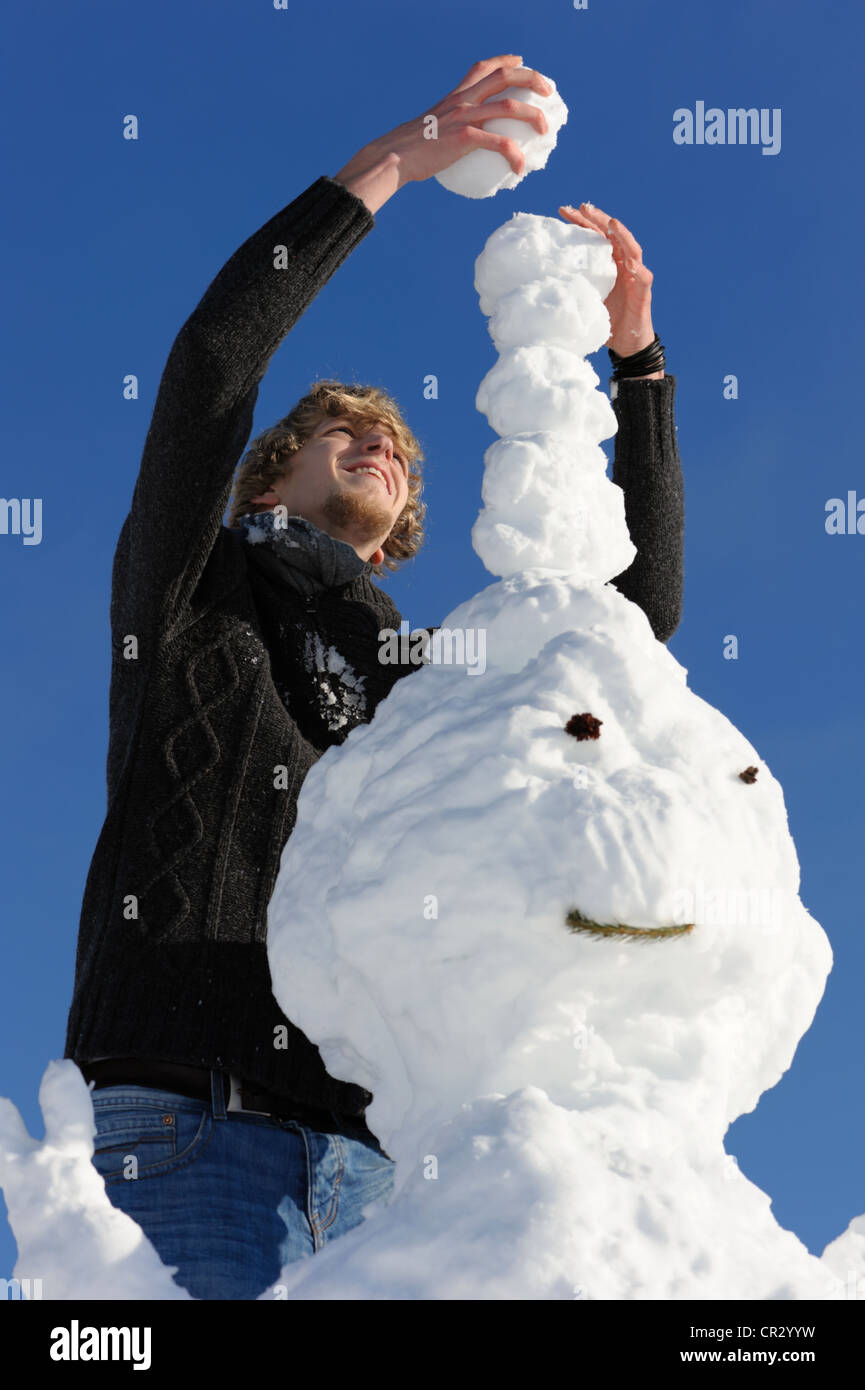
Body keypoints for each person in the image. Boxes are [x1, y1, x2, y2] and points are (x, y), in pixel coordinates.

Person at [63, 54, 684, 1301]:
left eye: (397, 444)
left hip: (377, 1169)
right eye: (340, 428)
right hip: (188, 1124)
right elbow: (206, 373)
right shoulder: (191, 589)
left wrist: (637, 367)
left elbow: (629, 634)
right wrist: (395, 160)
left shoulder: (422, 679)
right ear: (268, 472)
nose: (378, 443)